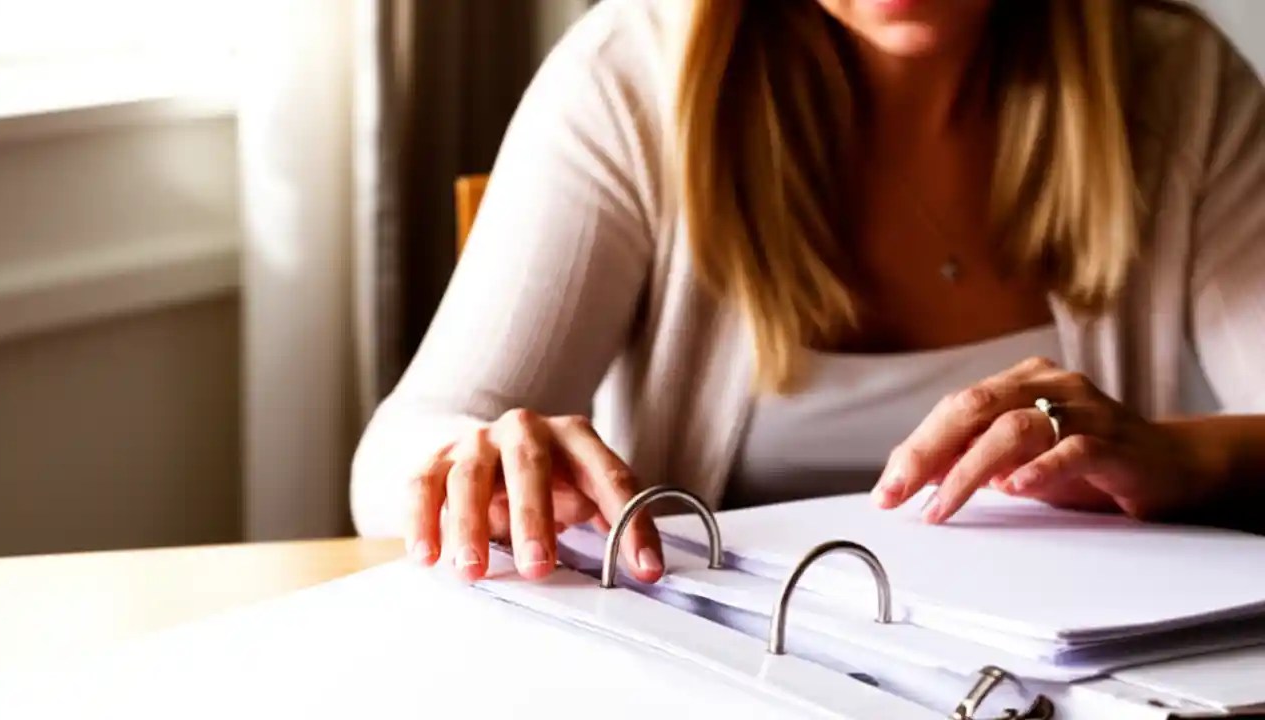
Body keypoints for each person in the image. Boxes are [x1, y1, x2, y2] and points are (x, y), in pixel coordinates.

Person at [352, 0, 1265, 584]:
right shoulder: (628, 79)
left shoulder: (1177, 82)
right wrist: (477, 457)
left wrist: (1178, 459)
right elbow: (392, 457)